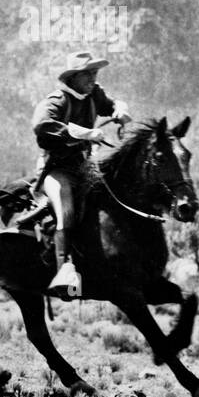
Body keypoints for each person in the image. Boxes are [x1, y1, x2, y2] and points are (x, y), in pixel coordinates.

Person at [32, 50, 132, 298]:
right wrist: (87, 134)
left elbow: (112, 105)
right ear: (74, 76)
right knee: (66, 209)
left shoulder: (94, 94)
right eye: (88, 73)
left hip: (84, 166)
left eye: (95, 73)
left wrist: (121, 110)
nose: (93, 78)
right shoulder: (56, 101)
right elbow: (42, 126)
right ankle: (64, 270)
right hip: (57, 169)